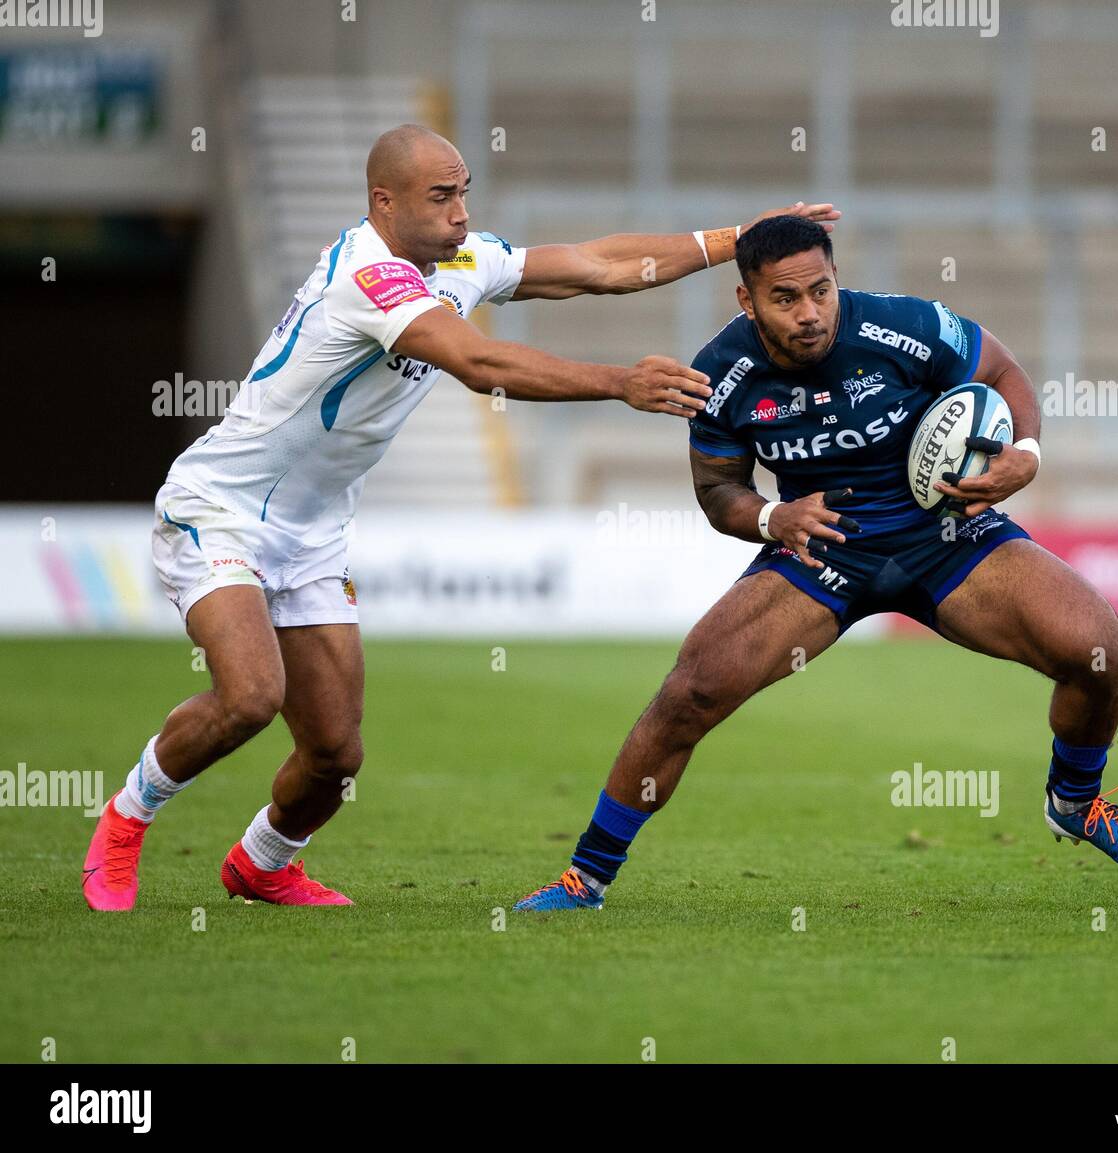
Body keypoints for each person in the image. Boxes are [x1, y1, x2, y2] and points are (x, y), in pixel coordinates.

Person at [82, 127, 839, 911]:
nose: (460, 212)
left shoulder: (463, 260)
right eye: (441, 197)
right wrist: (619, 380)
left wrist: (732, 240)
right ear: (385, 201)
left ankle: (263, 861)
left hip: (311, 533)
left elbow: (596, 265)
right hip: (221, 509)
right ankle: (125, 821)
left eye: (463, 192)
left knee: (335, 756)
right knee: (248, 696)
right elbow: (480, 365)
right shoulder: (364, 276)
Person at [515, 215, 1118, 912]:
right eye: (785, 299)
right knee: (691, 692)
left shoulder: (904, 327)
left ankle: (1074, 801)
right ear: (747, 301)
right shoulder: (722, 373)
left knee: (1098, 649)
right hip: (818, 548)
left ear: (836, 278)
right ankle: (586, 879)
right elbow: (717, 491)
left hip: (943, 535)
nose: (809, 313)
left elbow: (1004, 372)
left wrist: (1025, 458)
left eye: (820, 291)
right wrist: (774, 517)